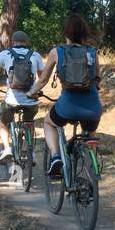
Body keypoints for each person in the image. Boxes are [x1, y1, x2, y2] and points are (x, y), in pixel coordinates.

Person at [27, 13, 102, 179]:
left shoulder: (56, 52)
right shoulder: (92, 52)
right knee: (91, 134)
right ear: (84, 33)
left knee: (49, 122)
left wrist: (31, 93)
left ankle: (55, 157)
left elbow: (43, 80)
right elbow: (97, 82)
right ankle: (93, 170)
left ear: (66, 33)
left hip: (67, 106)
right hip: (92, 107)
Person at [0, 30, 45, 166]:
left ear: (12, 42)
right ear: (26, 42)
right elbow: (42, 78)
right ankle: (31, 152)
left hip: (12, 100)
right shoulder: (35, 55)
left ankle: (7, 149)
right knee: (29, 121)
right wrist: (37, 91)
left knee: (2, 120)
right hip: (31, 101)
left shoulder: (5, 54)